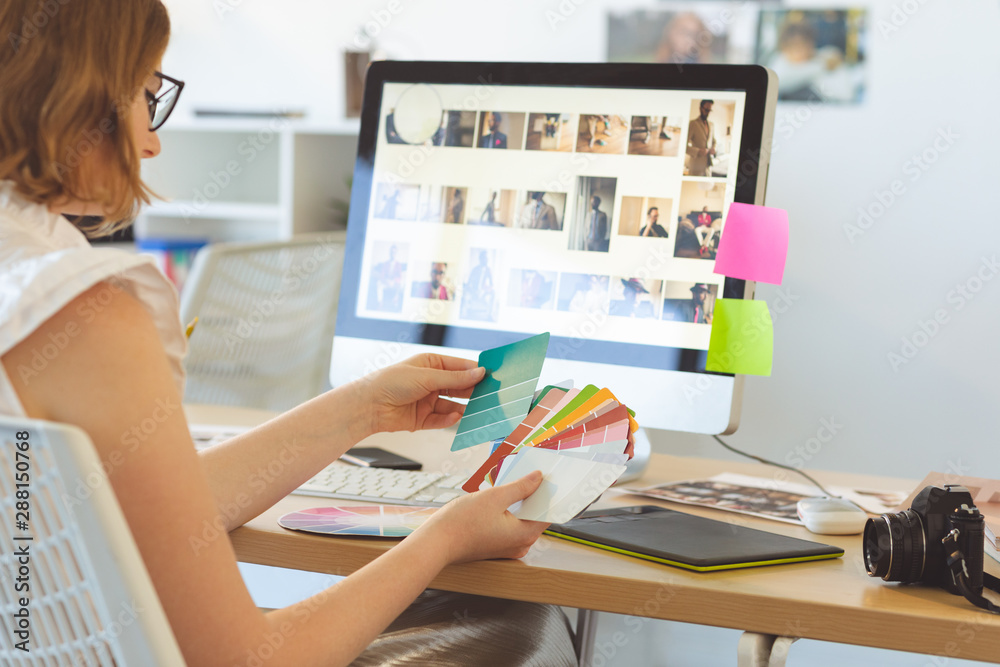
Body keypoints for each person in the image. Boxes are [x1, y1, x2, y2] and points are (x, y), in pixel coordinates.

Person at [0, 3, 581, 665]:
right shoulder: (87, 315)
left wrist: (364, 408)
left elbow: (151, 508)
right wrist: (441, 537)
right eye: (148, 95)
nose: (152, 140)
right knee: (517, 617)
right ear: (77, 95)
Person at [686, 99, 716, 176]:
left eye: (710, 110)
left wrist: (714, 148)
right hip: (696, 165)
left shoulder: (711, 125)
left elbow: (714, 140)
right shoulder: (693, 124)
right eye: (706, 110)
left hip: (708, 165)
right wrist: (698, 151)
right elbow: (683, 145)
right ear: (700, 108)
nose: (708, 113)